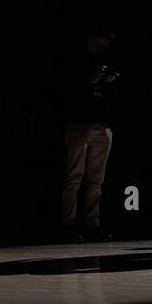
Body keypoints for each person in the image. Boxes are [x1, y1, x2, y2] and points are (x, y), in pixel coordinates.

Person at [60, 22, 119, 242]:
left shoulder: (106, 60)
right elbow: (65, 92)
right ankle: (68, 225)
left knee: (96, 179)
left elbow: (113, 96)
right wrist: (89, 80)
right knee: (74, 177)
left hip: (101, 124)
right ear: (92, 39)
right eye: (103, 42)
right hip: (78, 124)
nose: (105, 47)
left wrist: (111, 82)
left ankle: (92, 224)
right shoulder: (74, 60)